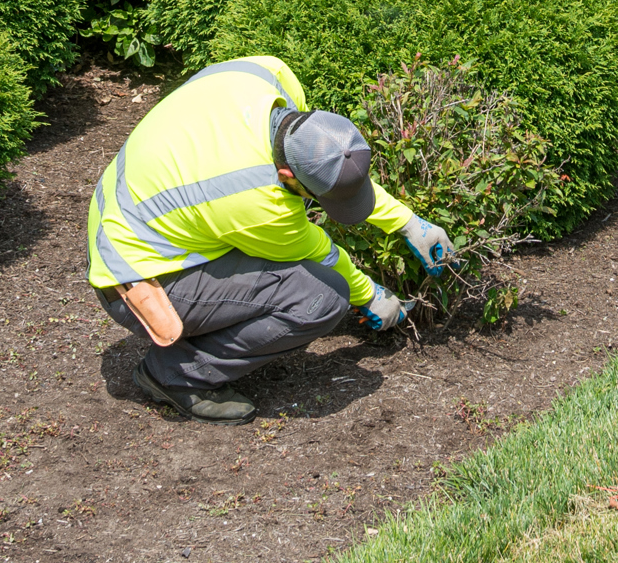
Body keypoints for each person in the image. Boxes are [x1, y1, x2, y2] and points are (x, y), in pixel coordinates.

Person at [88, 55, 458, 423]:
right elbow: (324, 257)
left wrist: (409, 222)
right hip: (137, 276)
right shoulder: (252, 197)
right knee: (324, 295)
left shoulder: (269, 75)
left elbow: (323, 156)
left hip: (132, 205)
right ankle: (178, 376)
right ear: (284, 173)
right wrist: (371, 296)